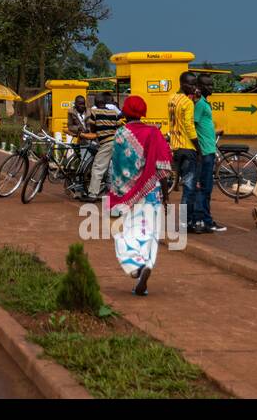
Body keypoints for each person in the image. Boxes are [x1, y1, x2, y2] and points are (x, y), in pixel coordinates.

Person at [108, 95, 172, 296]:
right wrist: (165, 193)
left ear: (125, 113)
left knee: (126, 233)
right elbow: (162, 165)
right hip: (151, 192)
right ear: (143, 112)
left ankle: (135, 267)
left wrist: (117, 193)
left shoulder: (120, 134)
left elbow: (116, 168)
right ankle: (146, 263)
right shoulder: (154, 133)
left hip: (128, 196)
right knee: (149, 233)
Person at [167, 72, 201, 231]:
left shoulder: (172, 98)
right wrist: (198, 147)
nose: (194, 87)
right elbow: (189, 126)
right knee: (189, 188)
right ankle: (185, 223)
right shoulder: (188, 103)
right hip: (188, 148)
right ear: (183, 83)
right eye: (191, 84)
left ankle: (185, 221)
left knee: (183, 186)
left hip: (175, 147)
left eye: (195, 84)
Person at [192, 75, 225, 232]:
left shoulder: (204, 103)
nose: (211, 88)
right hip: (204, 152)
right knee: (203, 188)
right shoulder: (199, 104)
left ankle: (205, 219)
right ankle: (204, 220)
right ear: (199, 86)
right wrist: (198, 149)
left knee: (206, 188)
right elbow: (193, 125)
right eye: (207, 85)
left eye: (212, 85)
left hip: (208, 150)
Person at [86, 93, 121, 200]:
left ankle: (92, 194)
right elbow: (118, 125)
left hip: (106, 142)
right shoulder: (114, 113)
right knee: (114, 169)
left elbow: (92, 127)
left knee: (98, 167)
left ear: (95, 103)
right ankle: (116, 193)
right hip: (116, 142)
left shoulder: (95, 112)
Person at [66, 95, 98, 199]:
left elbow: (95, 124)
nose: (82, 106)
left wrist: (90, 129)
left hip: (93, 139)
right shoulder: (71, 113)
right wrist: (79, 129)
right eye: (79, 103)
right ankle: (82, 189)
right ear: (75, 104)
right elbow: (70, 126)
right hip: (83, 141)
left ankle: (87, 187)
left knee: (93, 164)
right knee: (84, 165)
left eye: (83, 103)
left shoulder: (90, 112)